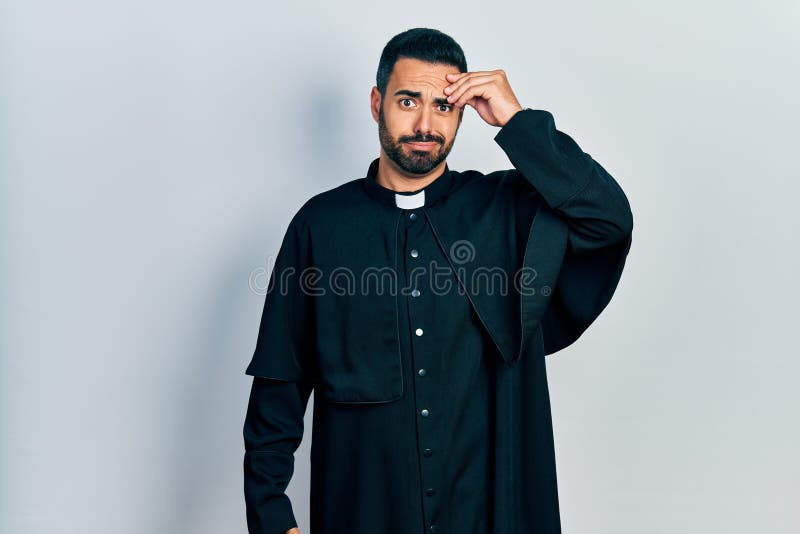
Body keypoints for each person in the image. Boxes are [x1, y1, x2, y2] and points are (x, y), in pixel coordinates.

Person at [243, 27, 633, 534]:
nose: (425, 124)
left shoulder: (506, 210)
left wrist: (518, 122)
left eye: (443, 107)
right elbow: (279, 384)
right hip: (365, 514)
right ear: (377, 102)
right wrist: (273, 520)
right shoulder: (321, 226)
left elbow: (608, 221)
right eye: (408, 101)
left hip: (489, 514)